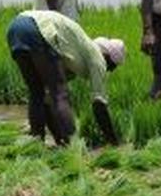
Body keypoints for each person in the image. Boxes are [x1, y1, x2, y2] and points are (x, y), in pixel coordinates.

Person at [7, 10, 125, 146]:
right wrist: (114, 143)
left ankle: (36, 144)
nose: (107, 71)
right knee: (60, 94)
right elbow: (99, 105)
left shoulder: (73, 55)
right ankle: (74, 147)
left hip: (16, 27)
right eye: (110, 67)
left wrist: (59, 140)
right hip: (38, 29)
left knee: (37, 92)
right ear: (107, 58)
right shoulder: (98, 59)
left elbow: (47, 101)